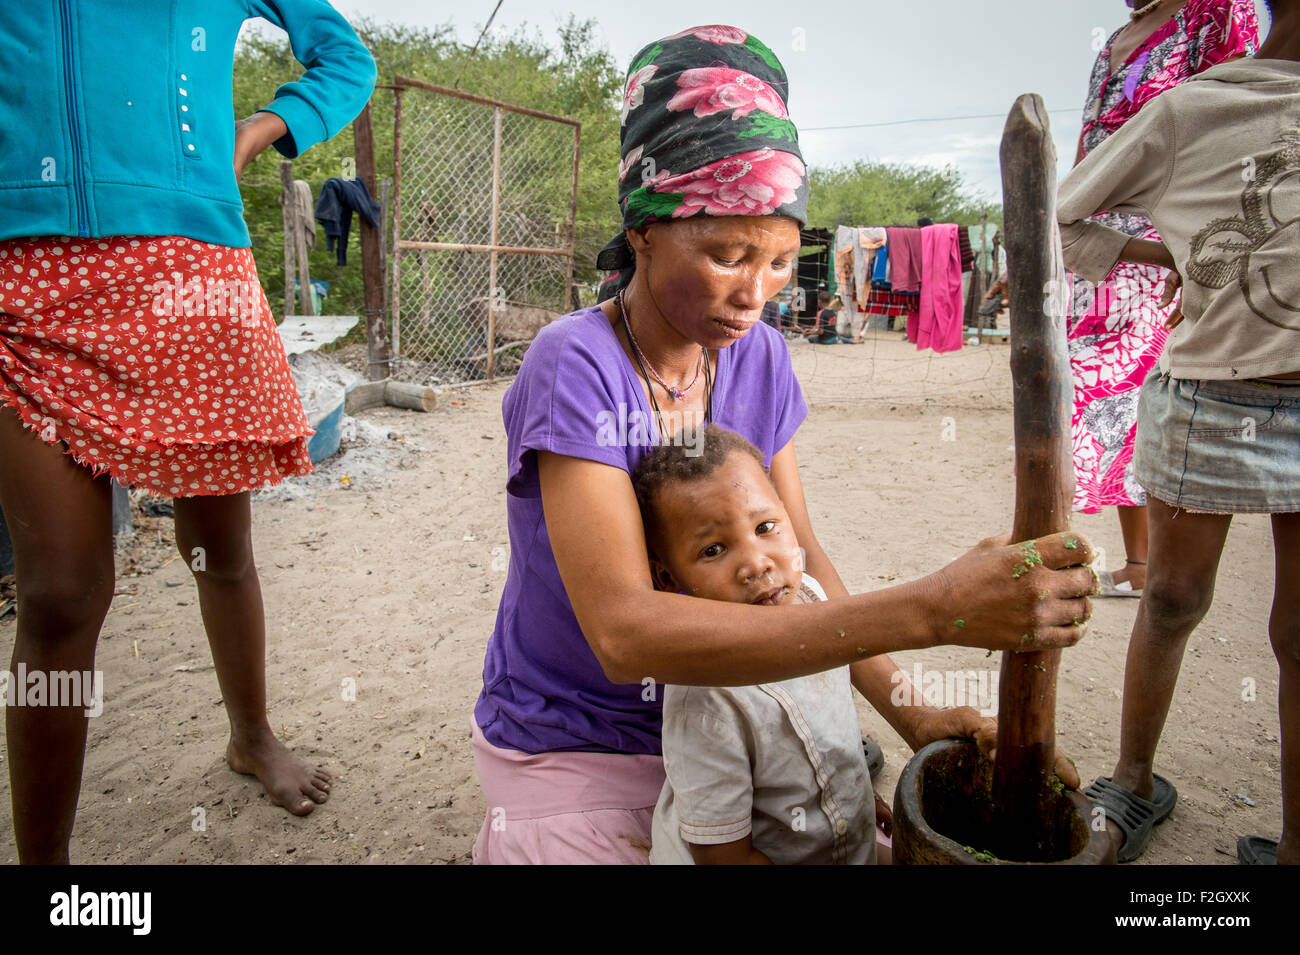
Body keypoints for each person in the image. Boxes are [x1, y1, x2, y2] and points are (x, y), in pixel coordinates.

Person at [469, 23, 1097, 865]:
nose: (756, 294)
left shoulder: (756, 356)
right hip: (589, 738)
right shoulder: (575, 363)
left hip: (748, 703)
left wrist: (913, 713)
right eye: (728, 255)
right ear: (645, 230)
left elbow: (802, 563)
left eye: (776, 262)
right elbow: (625, 633)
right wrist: (933, 608)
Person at [0, 1, 376, 863]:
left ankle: (251, 733)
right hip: (19, 268)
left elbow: (345, 58)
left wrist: (261, 127)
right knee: (60, 591)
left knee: (219, 545)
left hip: (190, 269)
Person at [1058, 0, 1300, 865]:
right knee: (1170, 599)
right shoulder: (1197, 106)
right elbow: (1071, 210)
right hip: (1214, 400)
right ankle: (1132, 780)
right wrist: (1186, 257)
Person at [1068, 0, 1259, 598]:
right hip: (1097, 240)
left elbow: (1235, 127)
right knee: (1092, 397)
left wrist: (1203, 249)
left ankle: (1156, 571)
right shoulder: (1122, 34)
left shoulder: (1216, 11)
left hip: (1168, 229)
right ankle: (1138, 564)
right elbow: (1092, 141)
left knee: (1139, 394)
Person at [635, 428, 882, 865]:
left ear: (789, 516)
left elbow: (834, 730)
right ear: (668, 579)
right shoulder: (705, 698)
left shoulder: (811, 598)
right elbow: (723, 857)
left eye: (766, 527)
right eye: (713, 550)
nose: (755, 563)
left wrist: (854, 801)